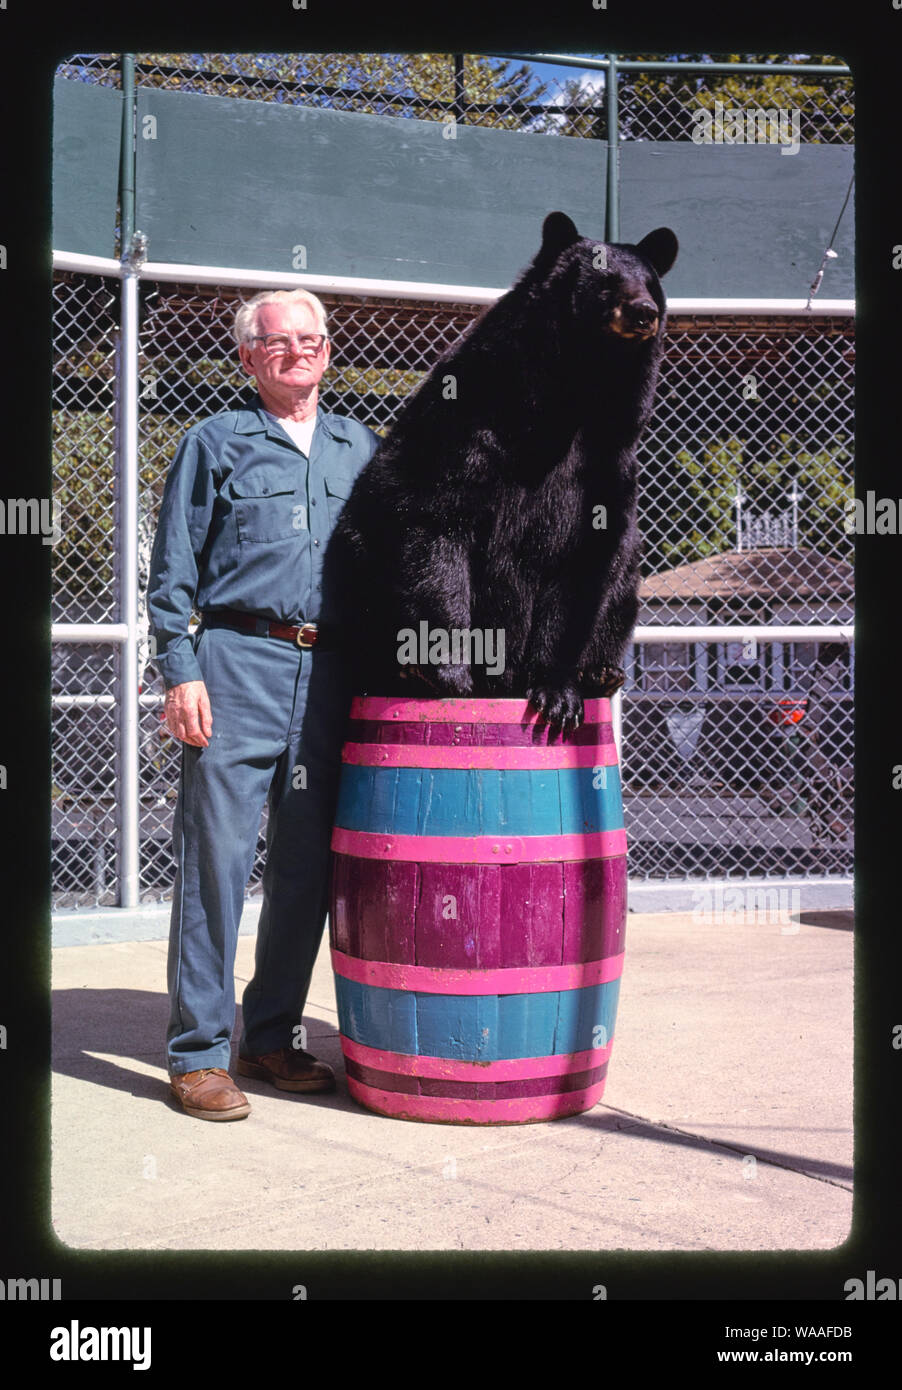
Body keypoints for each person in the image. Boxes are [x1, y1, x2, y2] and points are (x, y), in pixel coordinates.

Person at [147, 288, 380, 1120]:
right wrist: (181, 669)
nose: (297, 352)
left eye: (310, 338)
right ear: (248, 356)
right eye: (276, 342)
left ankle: (273, 1036)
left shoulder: (361, 447)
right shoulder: (214, 444)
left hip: (333, 678)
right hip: (235, 665)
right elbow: (172, 570)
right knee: (214, 864)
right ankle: (198, 1054)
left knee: (305, 871)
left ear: (327, 348)